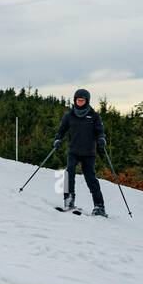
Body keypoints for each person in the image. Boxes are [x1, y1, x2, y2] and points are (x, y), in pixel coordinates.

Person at [53, 88, 107, 216]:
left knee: (91, 179)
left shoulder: (94, 116)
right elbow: (61, 131)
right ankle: (69, 201)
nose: (80, 102)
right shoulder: (69, 115)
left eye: (82, 100)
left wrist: (101, 139)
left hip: (89, 153)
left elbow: (100, 131)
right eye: (78, 100)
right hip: (73, 151)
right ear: (75, 100)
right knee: (68, 173)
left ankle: (99, 206)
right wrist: (57, 140)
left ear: (87, 101)